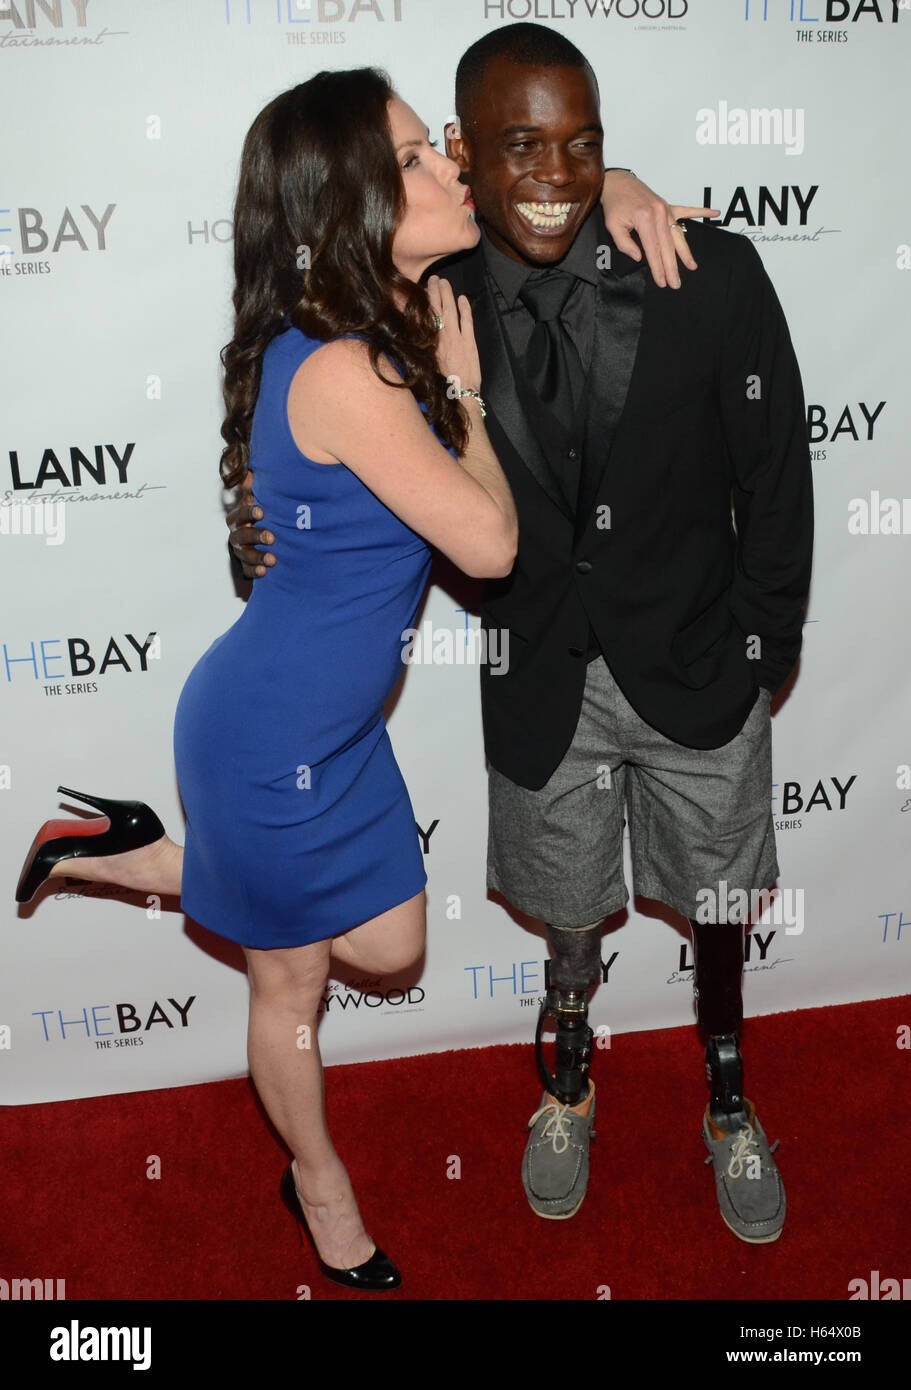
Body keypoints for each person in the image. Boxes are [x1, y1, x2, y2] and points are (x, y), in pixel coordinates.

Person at [230, 24, 813, 1246]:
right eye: (517, 149)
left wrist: (765, 647)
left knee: (716, 902)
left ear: (604, 146)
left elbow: (773, 474)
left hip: (698, 661)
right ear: (459, 156)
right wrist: (272, 510)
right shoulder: (421, 302)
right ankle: (566, 1074)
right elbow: (306, 345)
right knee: (564, 905)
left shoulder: (702, 270)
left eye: (581, 145)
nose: (551, 173)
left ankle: (725, 1086)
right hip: (538, 673)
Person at [17, 67, 521, 1293]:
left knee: (391, 946)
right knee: (290, 983)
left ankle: (121, 847)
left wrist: (618, 184)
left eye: (431, 146)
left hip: (328, 732)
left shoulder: (355, 339)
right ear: (343, 202)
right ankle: (321, 1188)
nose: (447, 166)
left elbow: (544, 190)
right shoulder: (350, 369)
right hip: (266, 733)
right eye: (410, 159)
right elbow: (491, 547)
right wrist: (468, 397)